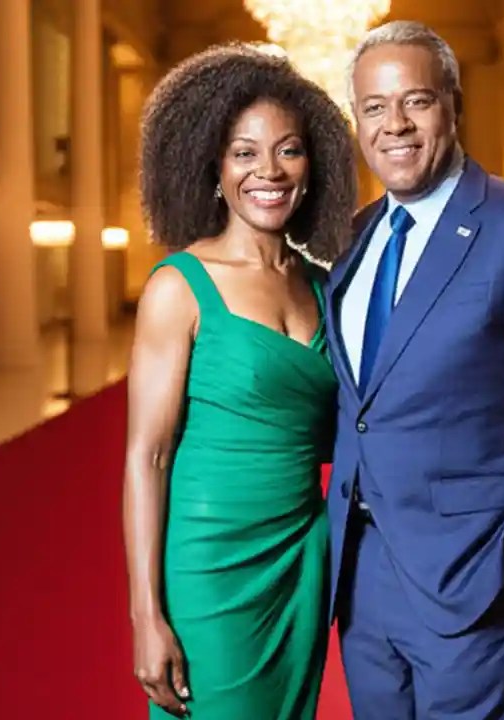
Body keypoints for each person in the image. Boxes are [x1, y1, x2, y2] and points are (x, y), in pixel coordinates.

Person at [325, 21, 504, 719]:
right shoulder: (356, 236)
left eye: (417, 101)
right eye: (373, 107)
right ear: (357, 122)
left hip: (473, 580)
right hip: (361, 579)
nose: (394, 124)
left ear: (454, 105)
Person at [122, 44, 357, 719]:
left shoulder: (322, 286)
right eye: (244, 152)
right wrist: (145, 613)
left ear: (313, 167)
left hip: (299, 556)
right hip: (210, 562)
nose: (268, 171)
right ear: (214, 168)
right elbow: (148, 454)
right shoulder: (179, 287)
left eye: (288, 150)